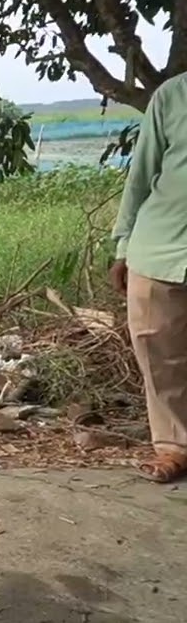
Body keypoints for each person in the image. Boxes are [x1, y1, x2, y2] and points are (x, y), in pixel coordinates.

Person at [111, 73, 187, 484]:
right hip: (161, 249)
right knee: (159, 354)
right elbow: (141, 175)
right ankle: (174, 447)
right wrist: (123, 246)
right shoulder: (173, 96)